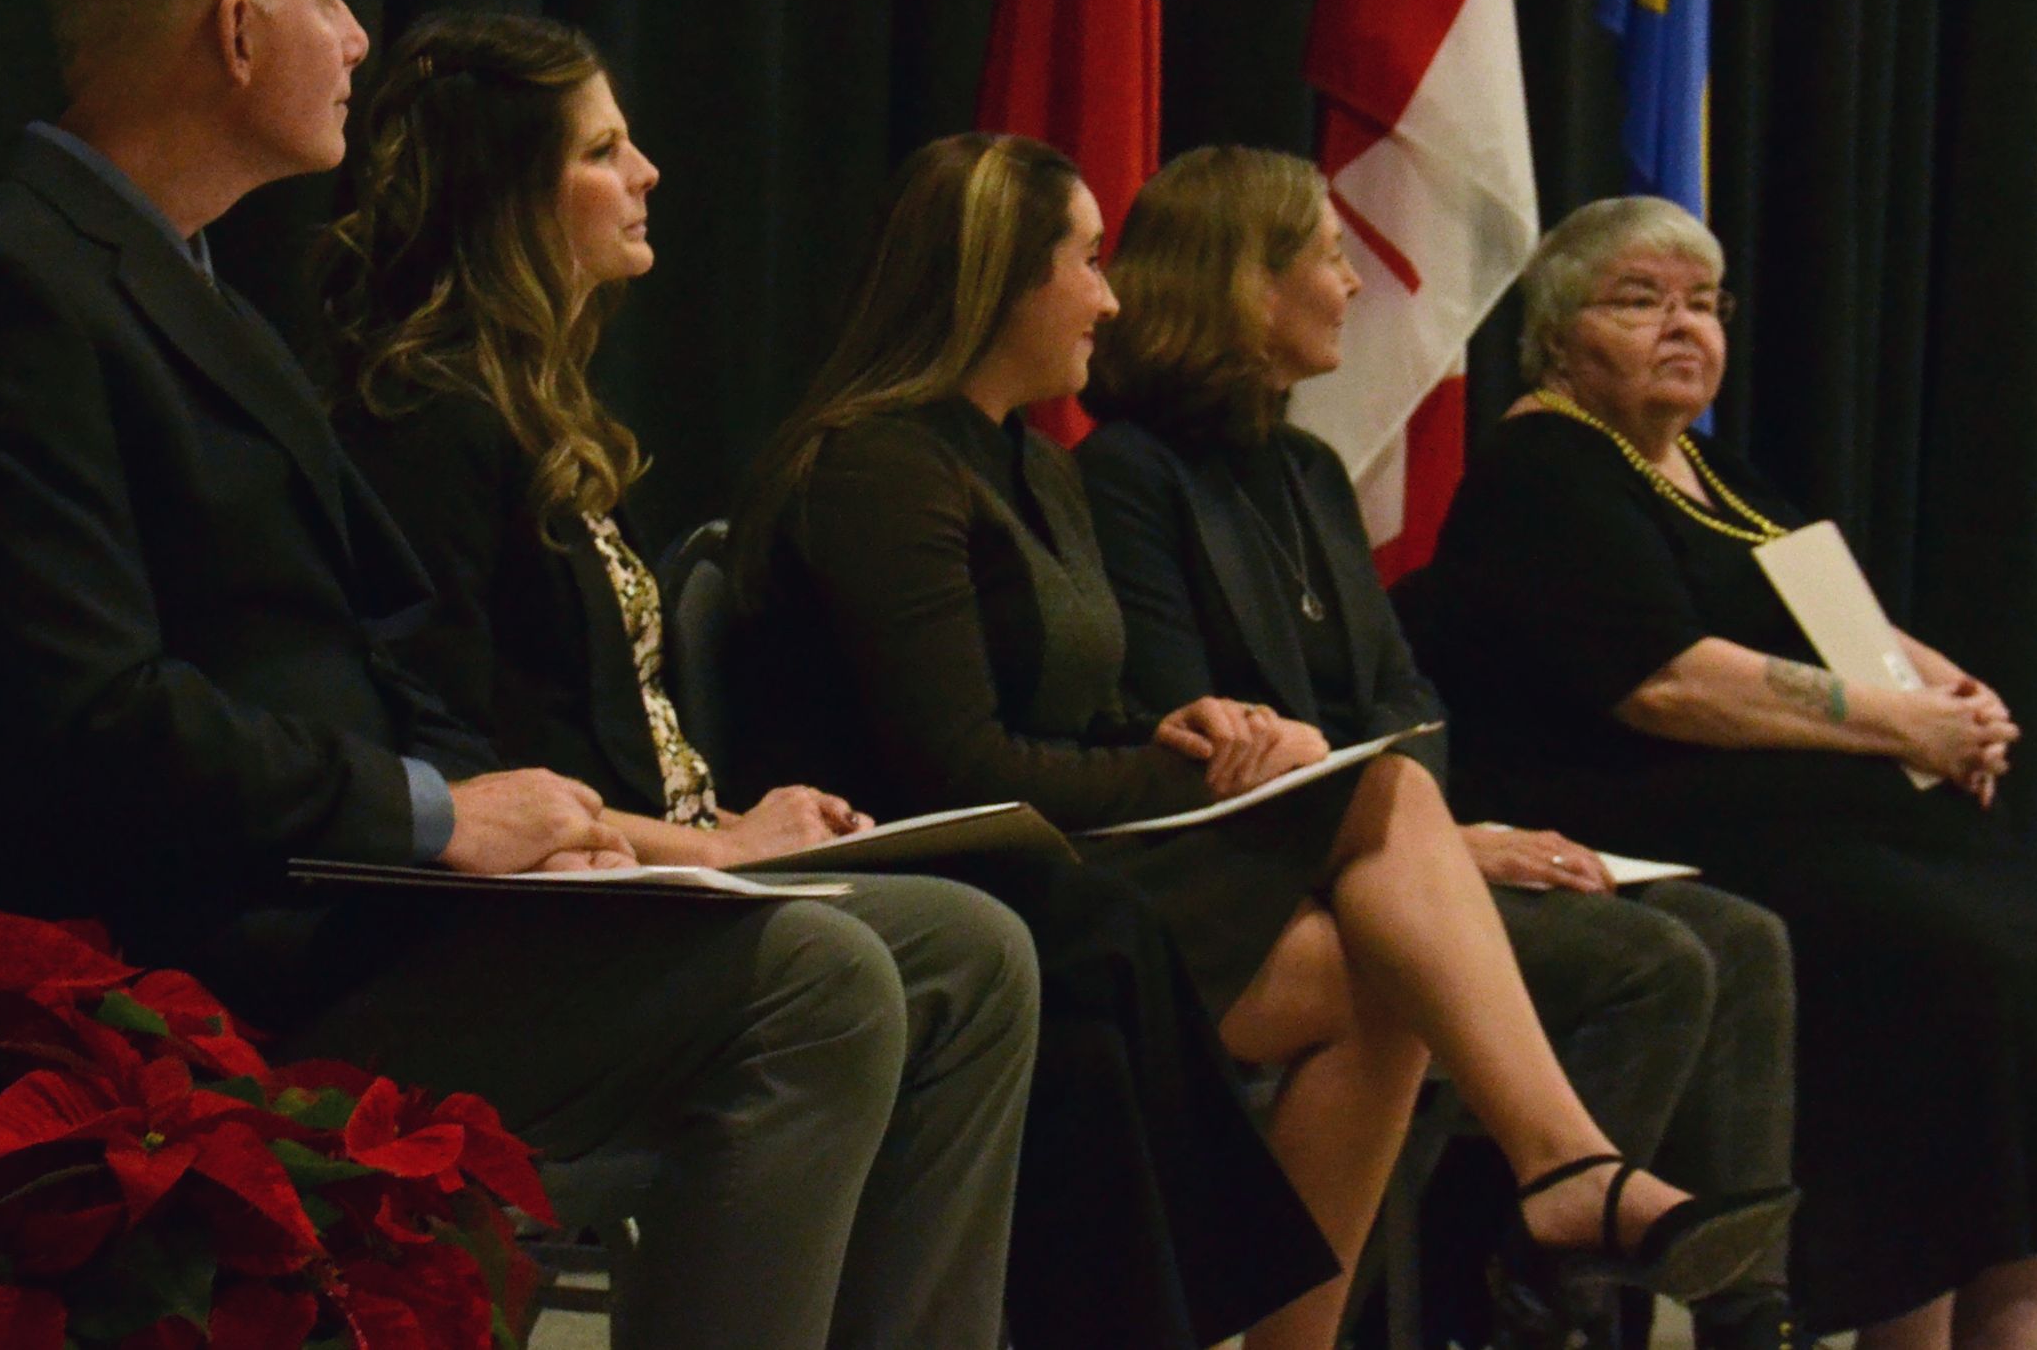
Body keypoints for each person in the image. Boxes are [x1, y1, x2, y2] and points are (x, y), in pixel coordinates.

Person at [0, 0, 1040, 1350]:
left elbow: (376, 642)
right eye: (330, 1)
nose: (356, 42)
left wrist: (542, 829)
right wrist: (431, 818)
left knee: (970, 954)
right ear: (234, 32)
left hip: (368, 913)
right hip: (204, 974)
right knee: (819, 981)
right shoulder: (14, 296)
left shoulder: (191, 291)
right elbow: (91, 720)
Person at [316, 9, 1335, 1350]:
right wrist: (707, 838)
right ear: (514, 191)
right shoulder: (430, 424)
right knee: (991, 942)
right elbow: (460, 765)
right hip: (537, 921)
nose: (650, 173)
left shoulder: (529, 410)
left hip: (662, 871)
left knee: (1013, 950)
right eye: (607, 149)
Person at [727, 131, 1794, 1350]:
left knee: (1384, 964)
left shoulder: (1032, 461)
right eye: (1084, 262)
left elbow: (1084, 705)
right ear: (1001, 280)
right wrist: (1177, 761)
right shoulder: (888, 467)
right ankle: (1565, 1171)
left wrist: (1174, 723)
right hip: (949, 870)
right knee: (1385, 811)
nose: (1110, 297)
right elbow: (957, 763)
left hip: (1065, 848)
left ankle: (1496, 1222)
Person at [1077, 146, 1802, 1350]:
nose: (1356, 283)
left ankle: (1741, 1312)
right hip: (1260, 871)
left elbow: (1401, 692)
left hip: (1383, 847)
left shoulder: (1306, 467)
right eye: (1324, 255)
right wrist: (1407, 821)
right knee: (1651, 964)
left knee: (1742, 936)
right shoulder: (1127, 477)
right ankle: (1525, 1295)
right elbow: (1180, 713)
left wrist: (1429, 822)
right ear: (1246, 285)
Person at [1405, 194, 2037, 1349]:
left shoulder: (1712, 471)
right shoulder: (1548, 465)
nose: (1684, 325)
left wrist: (1954, 694)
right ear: (1560, 332)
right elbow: (1663, 681)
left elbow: (1839, 613)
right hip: (1638, 817)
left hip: (1823, 822)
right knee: (1945, 962)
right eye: (1640, 299)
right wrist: (1900, 728)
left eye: (1704, 304)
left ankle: (2002, 1331)